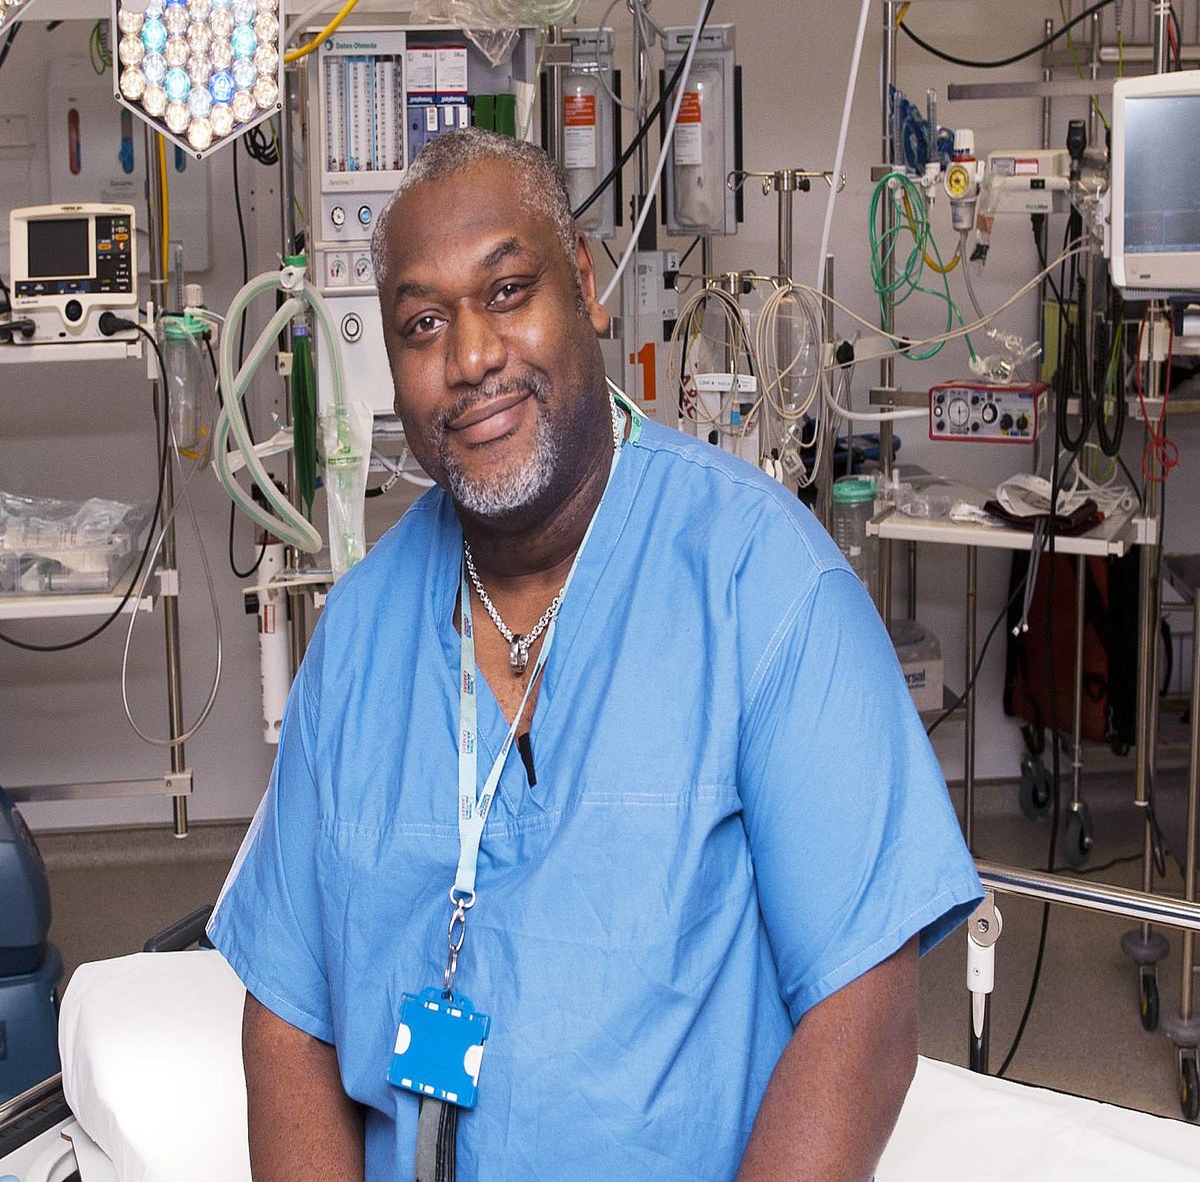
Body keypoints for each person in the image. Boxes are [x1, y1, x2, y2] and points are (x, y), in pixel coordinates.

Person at [208, 127, 982, 1182]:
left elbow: (865, 1012)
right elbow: (289, 1015)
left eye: (508, 290)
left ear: (585, 283)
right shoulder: (356, 642)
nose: (471, 357)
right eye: (424, 323)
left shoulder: (761, 585)